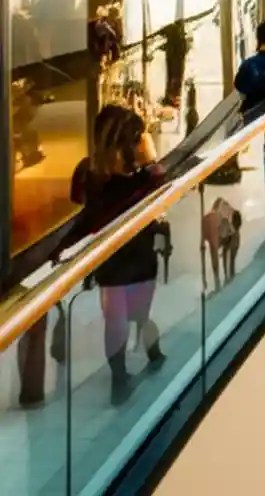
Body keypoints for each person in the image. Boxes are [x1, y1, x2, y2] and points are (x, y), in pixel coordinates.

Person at [65, 105, 167, 405]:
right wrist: (152, 159)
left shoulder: (87, 172)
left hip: (109, 260)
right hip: (140, 256)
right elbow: (161, 185)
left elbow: (77, 201)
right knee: (141, 313)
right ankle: (153, 355)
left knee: (115, 319)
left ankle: (119, 378)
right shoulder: (142, 179)